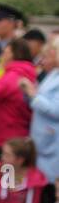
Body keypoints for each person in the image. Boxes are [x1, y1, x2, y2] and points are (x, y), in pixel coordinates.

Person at [0, 38, 36, 149]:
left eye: (5, 53)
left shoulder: (15, 74)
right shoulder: (23, 71)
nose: (2, 56)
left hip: (9, 135)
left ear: (13, 55)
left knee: (7, 166)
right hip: (14, 131)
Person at [20, 35, 59, 183]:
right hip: (41, 139)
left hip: (52, 144)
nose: (49, 53)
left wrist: (32, 94)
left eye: (53, 50)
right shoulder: (54, 74)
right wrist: (28, 94)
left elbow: (55, 110)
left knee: (47, 185)